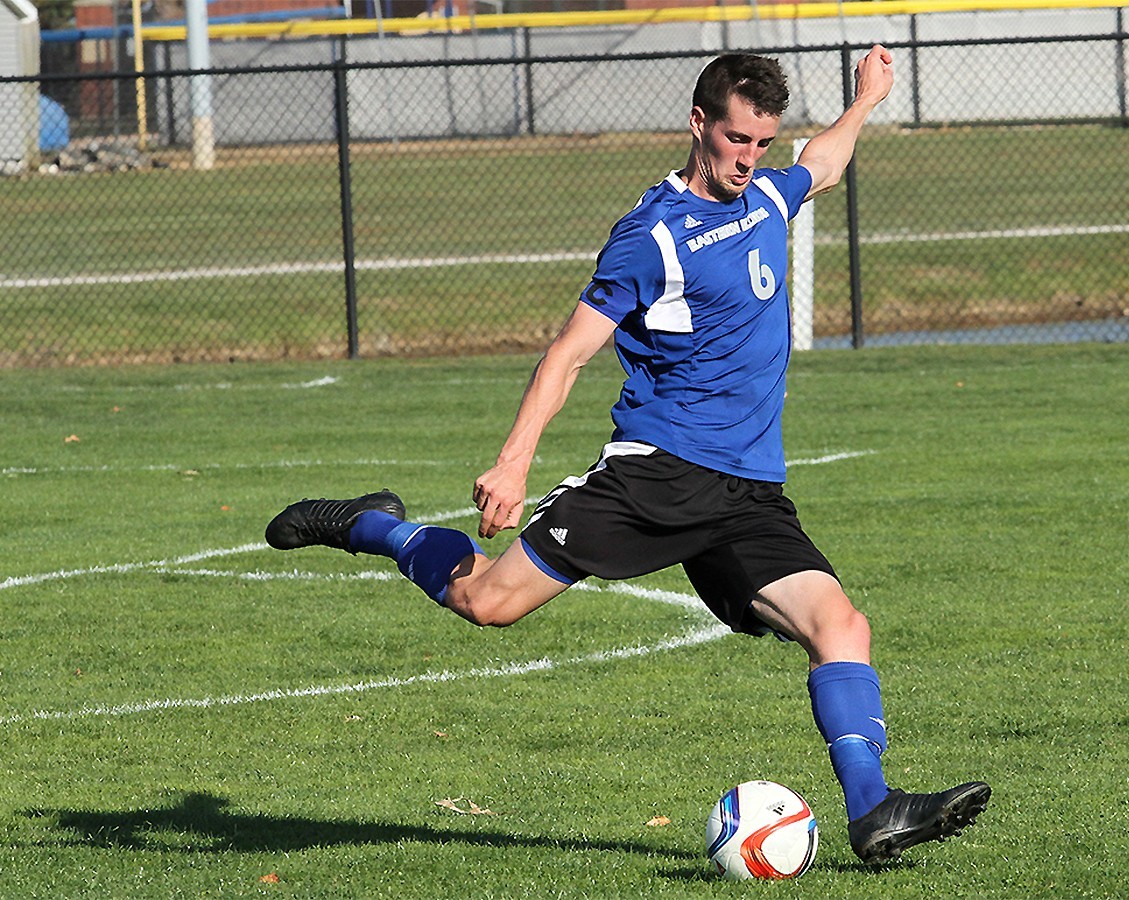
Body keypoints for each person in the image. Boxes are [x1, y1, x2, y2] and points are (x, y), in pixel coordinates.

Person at [265, 45, 990, 864]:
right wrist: (513, 461)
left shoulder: (763, 201)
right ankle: (372, 527)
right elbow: (569, 353)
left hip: (748, 489)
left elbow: (818, 165)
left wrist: (863, 104)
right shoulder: (652, 235)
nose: (749, 159)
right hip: (659, 474)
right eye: (736, 139)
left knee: (841, 625)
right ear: (698, 125)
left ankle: (874, 811)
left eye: (761, 142)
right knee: (487, 603)